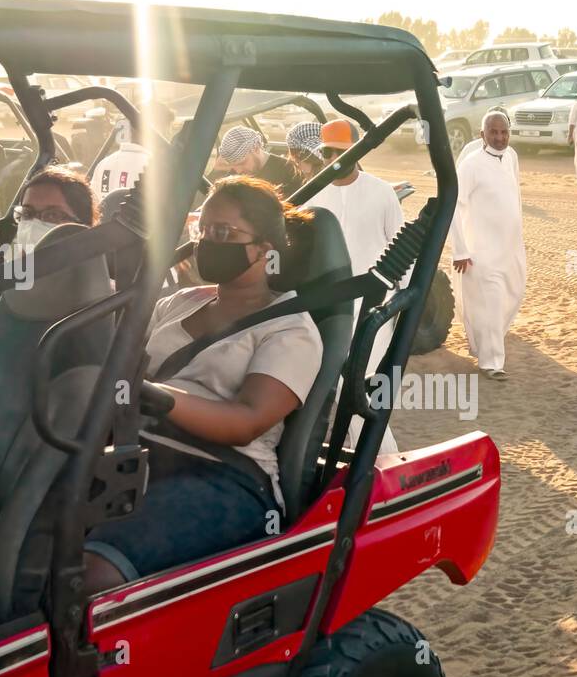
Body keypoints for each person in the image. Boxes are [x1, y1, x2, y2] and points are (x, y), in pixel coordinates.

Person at [83, 176, 323, 591]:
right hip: (138, 454)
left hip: (226, 477)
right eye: (204, 229)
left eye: (224, 233)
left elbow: (247, 420)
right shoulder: (180, 302)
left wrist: (155, 395)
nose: (208, 241)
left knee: (96, 573)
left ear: (266, 250)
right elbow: (123, 362)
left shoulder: (291, 329)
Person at [308, 118, 406, 451]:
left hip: (376, 308)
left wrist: (406, 303)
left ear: (357, 151)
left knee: (366, 385)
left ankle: (378, 457)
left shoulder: (381, 192)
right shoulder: (313, 195)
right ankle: (367, 457)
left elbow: (403, 247)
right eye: (327, 152)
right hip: (330, 309)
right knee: (339, 386)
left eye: (341, 151)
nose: (333, 158)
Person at [0, 166, 100, 353]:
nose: (33, 225)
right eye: (27, 214)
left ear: (82, 226)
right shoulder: (3, 283)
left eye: (52, 215)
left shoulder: (97, 301)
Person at [449, 109, 526, 380]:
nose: (499, 137)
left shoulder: (512, 157)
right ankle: (492, 363)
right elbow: (453, 207)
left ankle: (482, 343)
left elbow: (514, 195)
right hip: (481, 252)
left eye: (504, 132)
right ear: (482, 135)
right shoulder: (470, 165)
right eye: (493, 132)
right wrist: (460, 250)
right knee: (491, 303)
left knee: (514, 294)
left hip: (509, 248)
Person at [90, 101, 174, 203]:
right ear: (154, 129)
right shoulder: (156, 168)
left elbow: (92, 208)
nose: (168, 135)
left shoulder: (103, 165)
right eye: (168, 129)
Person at [216, 125, 302, 197]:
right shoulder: (231, 180)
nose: (238, 171)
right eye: (233, 166)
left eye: (242, 163)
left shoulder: (291, 171)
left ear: (256, 148)